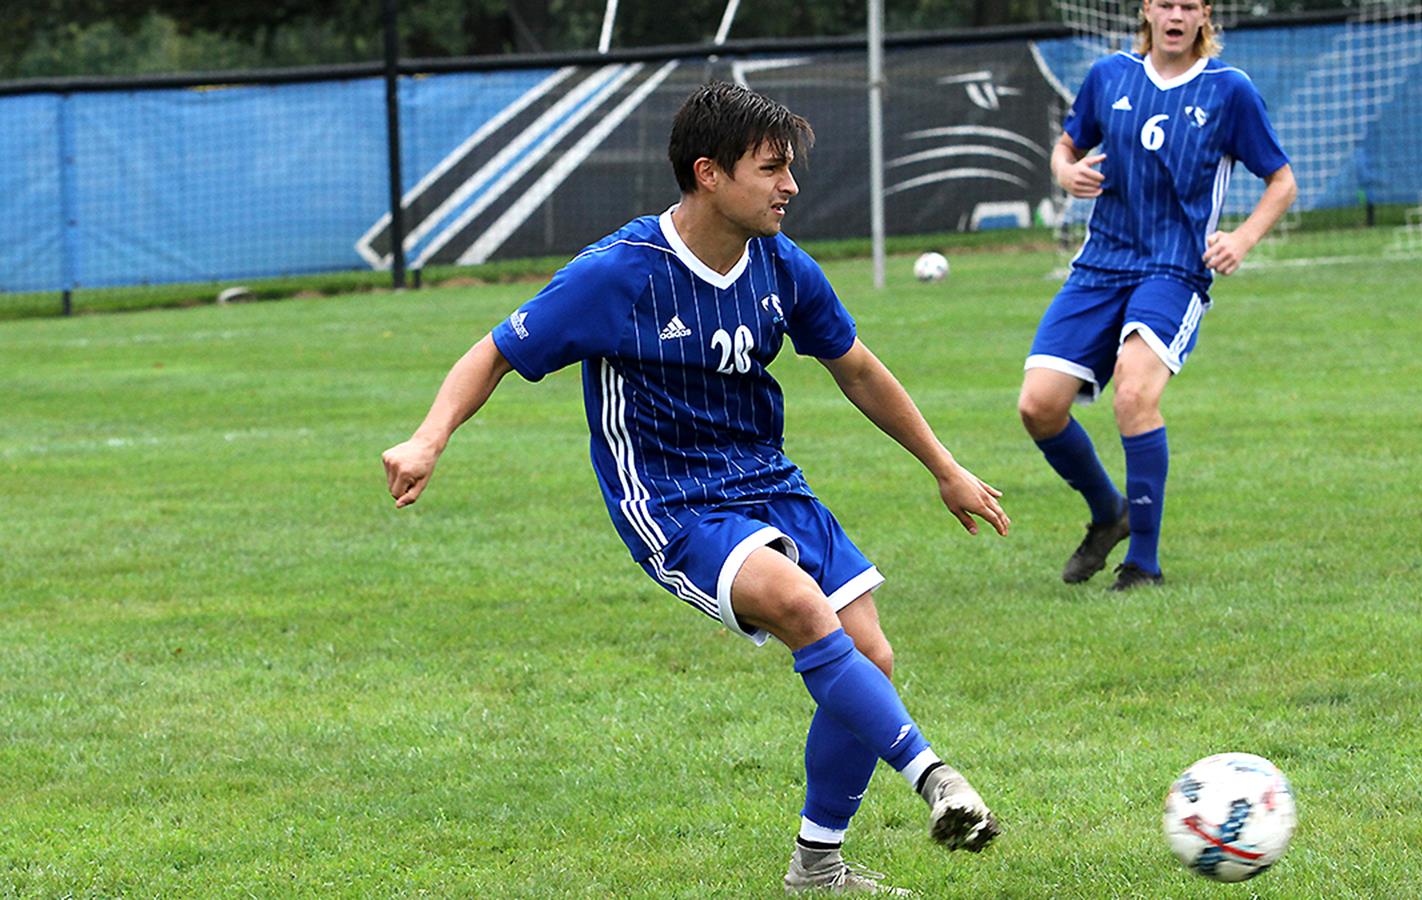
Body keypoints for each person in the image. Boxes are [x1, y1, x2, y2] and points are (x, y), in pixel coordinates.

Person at [382, 81, 1007, 895]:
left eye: (790, 169)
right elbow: (496, 350)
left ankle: (816, 867)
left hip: (770, 481)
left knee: (871, 657)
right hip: (671, 498)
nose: (790, 186)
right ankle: (937, 779)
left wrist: (945, 468)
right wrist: (429, 439)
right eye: (771, 168)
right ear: (709, 174)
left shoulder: (781, 264)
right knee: (801, 608)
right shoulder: (620, 274)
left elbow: (854, 367)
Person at [1018, 0, 1297, 591]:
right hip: (1100, 264)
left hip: (1174, 267)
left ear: (1204, 15)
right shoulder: (1109, 76)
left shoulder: (1230, 90)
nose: (1176, 15)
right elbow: (1065, 149)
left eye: (1188, 5)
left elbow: (1282, 179)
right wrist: (1065, 173)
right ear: (1147, 9)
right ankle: (1108, 512)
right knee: (1038, 406)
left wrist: (1243, 239)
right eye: (1165, 3)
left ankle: (1143, 562)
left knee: (1134, 393)